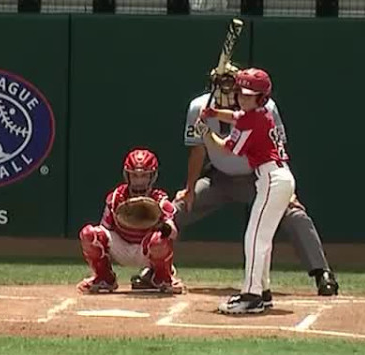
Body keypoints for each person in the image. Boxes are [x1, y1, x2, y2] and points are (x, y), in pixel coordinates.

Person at [173, 64, 339, 301]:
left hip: (259, 178)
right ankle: (157, 267)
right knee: (176, 209)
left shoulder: (262, 110)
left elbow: (259, 148)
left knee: (290, 218)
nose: (235, 94)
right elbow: (198, 151)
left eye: (238, 89)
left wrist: (207, 133)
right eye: (230, 88)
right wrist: (189, 188)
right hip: (219, 178)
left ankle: (320, 273)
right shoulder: (200, 106)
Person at [199, 68, 296, 314]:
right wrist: (213, 113)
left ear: (261, 98)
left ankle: (251, 295)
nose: (243, 98)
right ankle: (262, 292)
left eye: (249, 95)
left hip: (273, 179)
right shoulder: (261, 114)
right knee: (260, 238)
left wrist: (207, 132)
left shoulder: (254, 121)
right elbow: (237, 116)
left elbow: (227, 148)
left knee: (255, 238)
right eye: (240, 94)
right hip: (274, 178)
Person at [77, 148, 182, 294]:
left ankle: (163, 277)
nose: (139, 181)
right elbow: (104, 230)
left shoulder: (160, 200)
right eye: (135, 176)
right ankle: (104, 278)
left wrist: (162, 226)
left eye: (144, 176)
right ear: (127, 176)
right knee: (89, 234)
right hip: (121, 246)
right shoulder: (116, 197)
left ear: (152, 176)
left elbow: (173, 233)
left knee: (160, 239)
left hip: (145, 250)